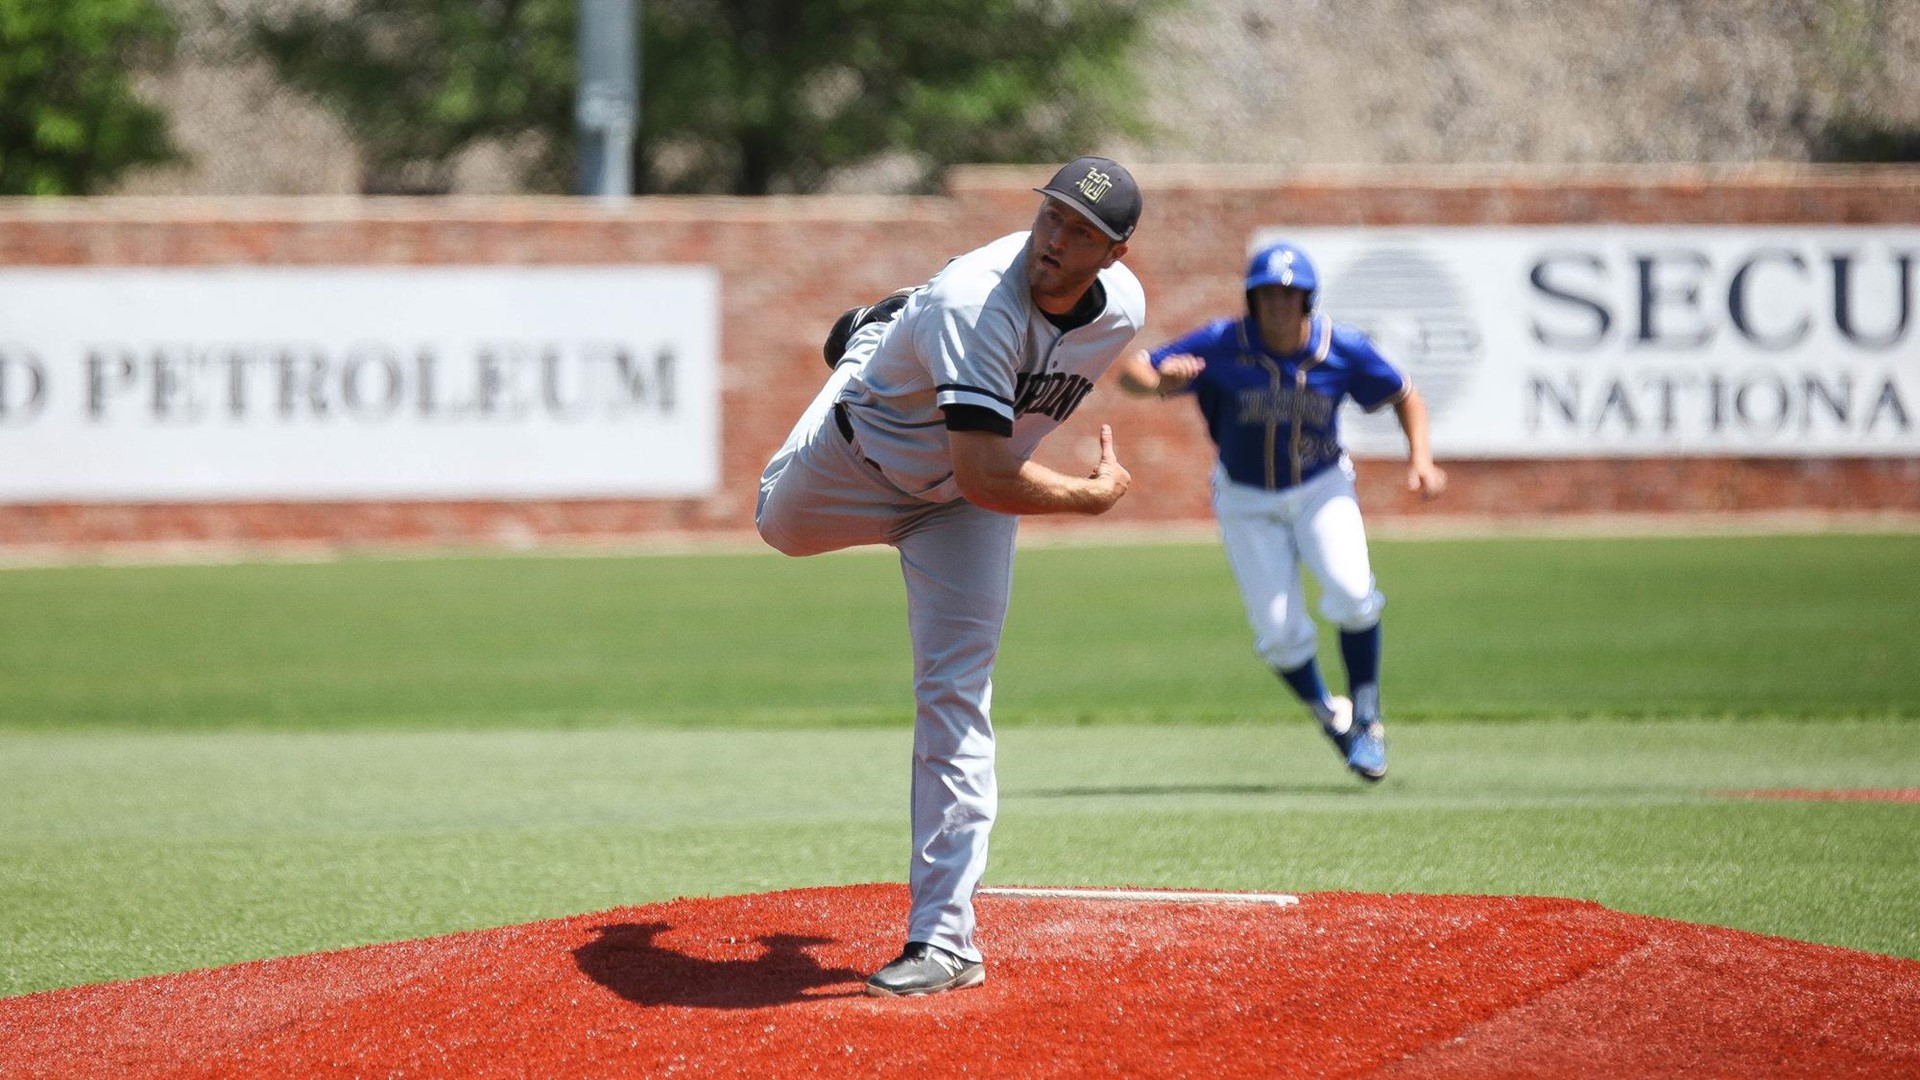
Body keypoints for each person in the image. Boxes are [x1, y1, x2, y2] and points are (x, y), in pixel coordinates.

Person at [755, 156, 1147, 997]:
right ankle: (872, 339)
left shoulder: (1123, 312)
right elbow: (984, 471)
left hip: (962, 508)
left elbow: (987, 469)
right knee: (773, 524)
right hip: (854, 464)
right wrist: (1084, 498)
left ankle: (944, 940)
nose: (1057, 239)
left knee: (956, 695)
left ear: (1113, 255)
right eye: (1051, 217)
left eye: (1083, 232)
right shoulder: (979, 299)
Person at [1114, 240, 1446, 782]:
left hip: (1321, 487)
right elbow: (1132, 374)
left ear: (1308, 301)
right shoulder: (1223, 342)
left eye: (1289, 296)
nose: (1278, 306)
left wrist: (1423, 460)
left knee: (1353, 592)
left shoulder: (1342, 347)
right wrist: (1158, 382)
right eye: (1267, 295)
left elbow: (1404, 394)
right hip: (1246, 499)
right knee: (1278, 632)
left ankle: (1367, 718)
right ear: (1251, 298)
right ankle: (1329, 718)